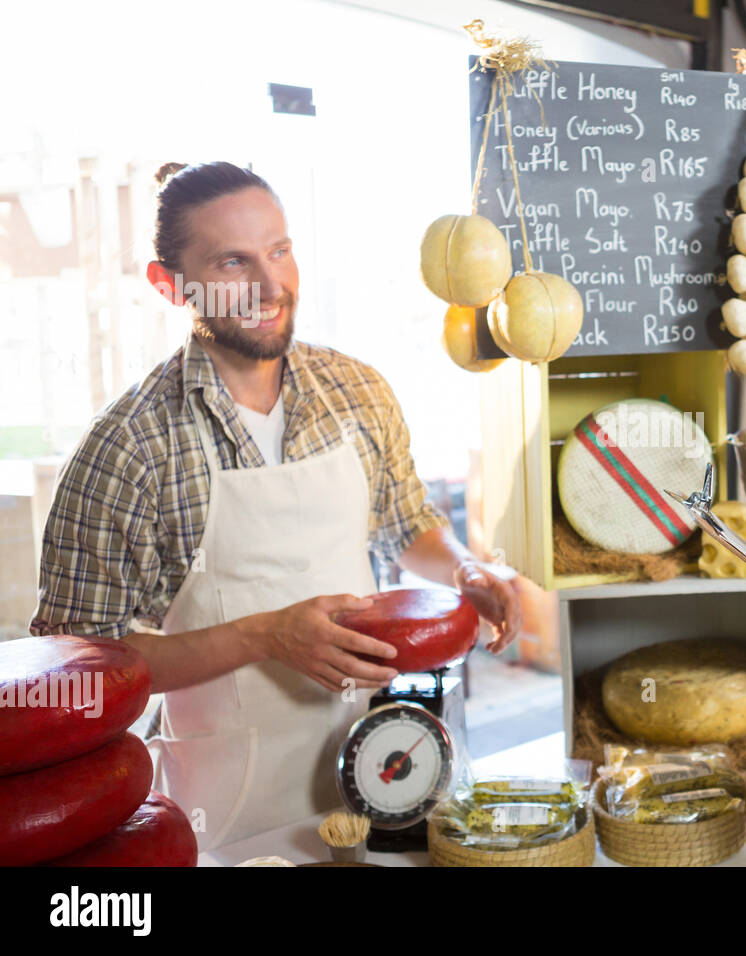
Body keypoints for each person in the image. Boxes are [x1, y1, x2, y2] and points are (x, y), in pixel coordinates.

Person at [31, 161, 522, 851]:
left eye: (280, 250)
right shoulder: (128, 447)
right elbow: (80, 672)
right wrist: (264, 637)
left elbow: (405, 522)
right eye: (233, 262)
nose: (271, 286)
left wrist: (465, 568)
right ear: (170, 285)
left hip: (383, 777)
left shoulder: (357, 390)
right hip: (227, 815)